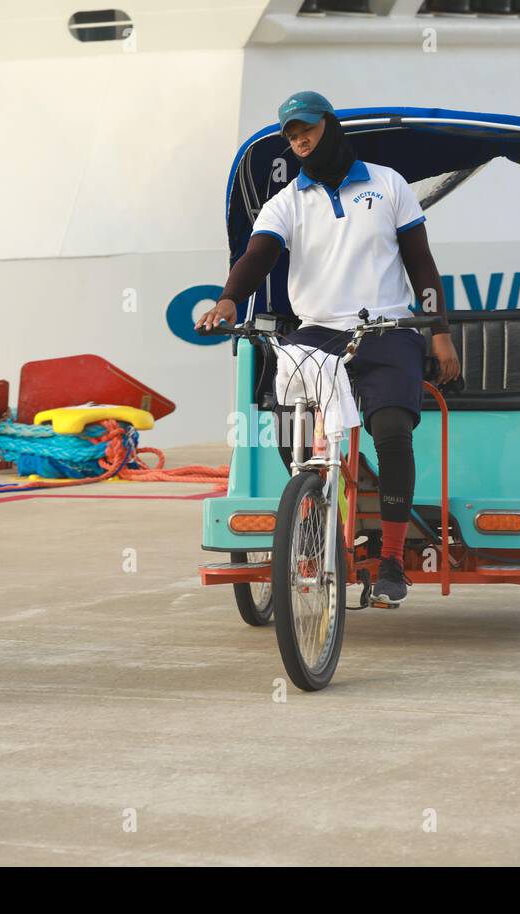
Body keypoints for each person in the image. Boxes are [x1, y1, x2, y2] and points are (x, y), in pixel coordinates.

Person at [197, 91, 460, 606]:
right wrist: (229, 300)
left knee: (391, 430)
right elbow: (258, 256)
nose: (300, 142)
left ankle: (390, 559)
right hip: (318, 331)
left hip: (390, 327)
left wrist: (440, 332)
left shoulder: (388, 184)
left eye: (307, 131)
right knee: (290, 427)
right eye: (292, 137)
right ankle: (315, 511)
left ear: (330, 127)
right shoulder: (287, 201)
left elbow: (421, 262)